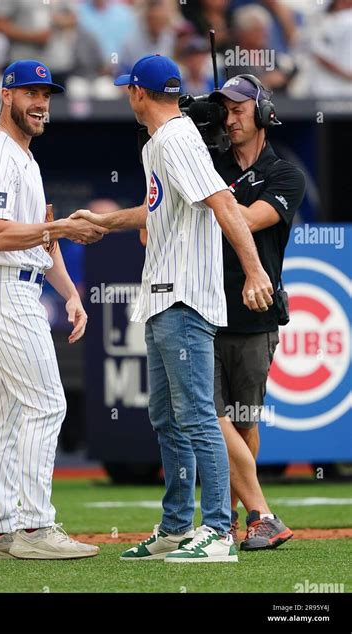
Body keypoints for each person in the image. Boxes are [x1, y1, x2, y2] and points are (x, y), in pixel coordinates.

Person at [72, 54, 274, 563]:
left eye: (128, 88)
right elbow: (156, 210)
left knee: (198, 415)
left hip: (185, 295)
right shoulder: (166, 142)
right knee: (167, 417)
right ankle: (177, 527)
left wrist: (254, 271)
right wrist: (103, 223)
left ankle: (217, 531)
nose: (126, 96)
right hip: (163, 296)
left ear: (140, 92)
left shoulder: (176, 138)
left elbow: (225, 205)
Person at [0, 59, 108, 560]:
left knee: (9, 412)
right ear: (6, 95)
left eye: (46, 93)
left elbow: (40, 243)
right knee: (48, 404)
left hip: (10, 286)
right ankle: (35, 527)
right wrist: (63, 228)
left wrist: (68, 291)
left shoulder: (26, 158)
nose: (40, 102)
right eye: (29, 92)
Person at [208, 74, 305, 549]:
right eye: (223, 110)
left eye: (239, 109)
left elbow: (243, 219)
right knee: (209, 415)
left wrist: (211, 192)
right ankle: (240, 515)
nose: (230, 118)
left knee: (244, 420)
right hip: (205, 308)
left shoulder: (286, 175)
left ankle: (242, 518)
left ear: (263, 114)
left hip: (256, 316)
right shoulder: (210, 163)